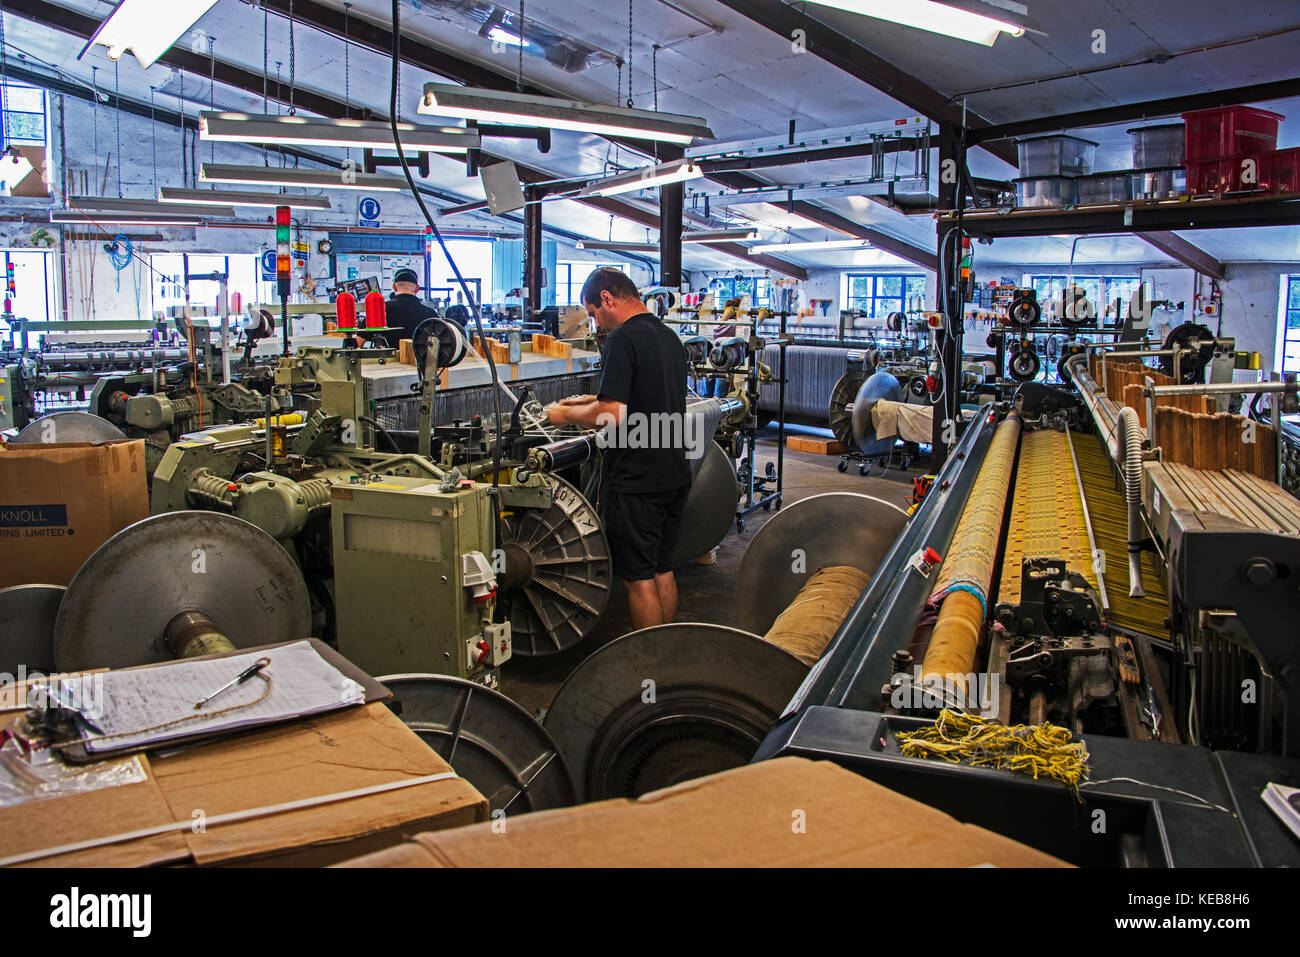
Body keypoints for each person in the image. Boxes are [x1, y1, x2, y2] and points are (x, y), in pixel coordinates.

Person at [545, 267, 690, 630]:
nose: (595, 324)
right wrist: (586, 398)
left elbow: (612, 414)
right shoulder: (668, 337)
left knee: (638, 578)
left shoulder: (622, 340)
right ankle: (667, 652)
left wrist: (564, 415)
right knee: (661, 569)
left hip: (637, 480)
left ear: (607, 298)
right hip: (673, 470)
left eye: (593, 313)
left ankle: (651, 665)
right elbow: (643, 395)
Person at [367, 266, 438, 344]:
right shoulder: (431, 314)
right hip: (420, 356)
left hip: (384, 356)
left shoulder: (379, 310)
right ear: (417, 289)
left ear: (394, 287)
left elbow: (358, 343)